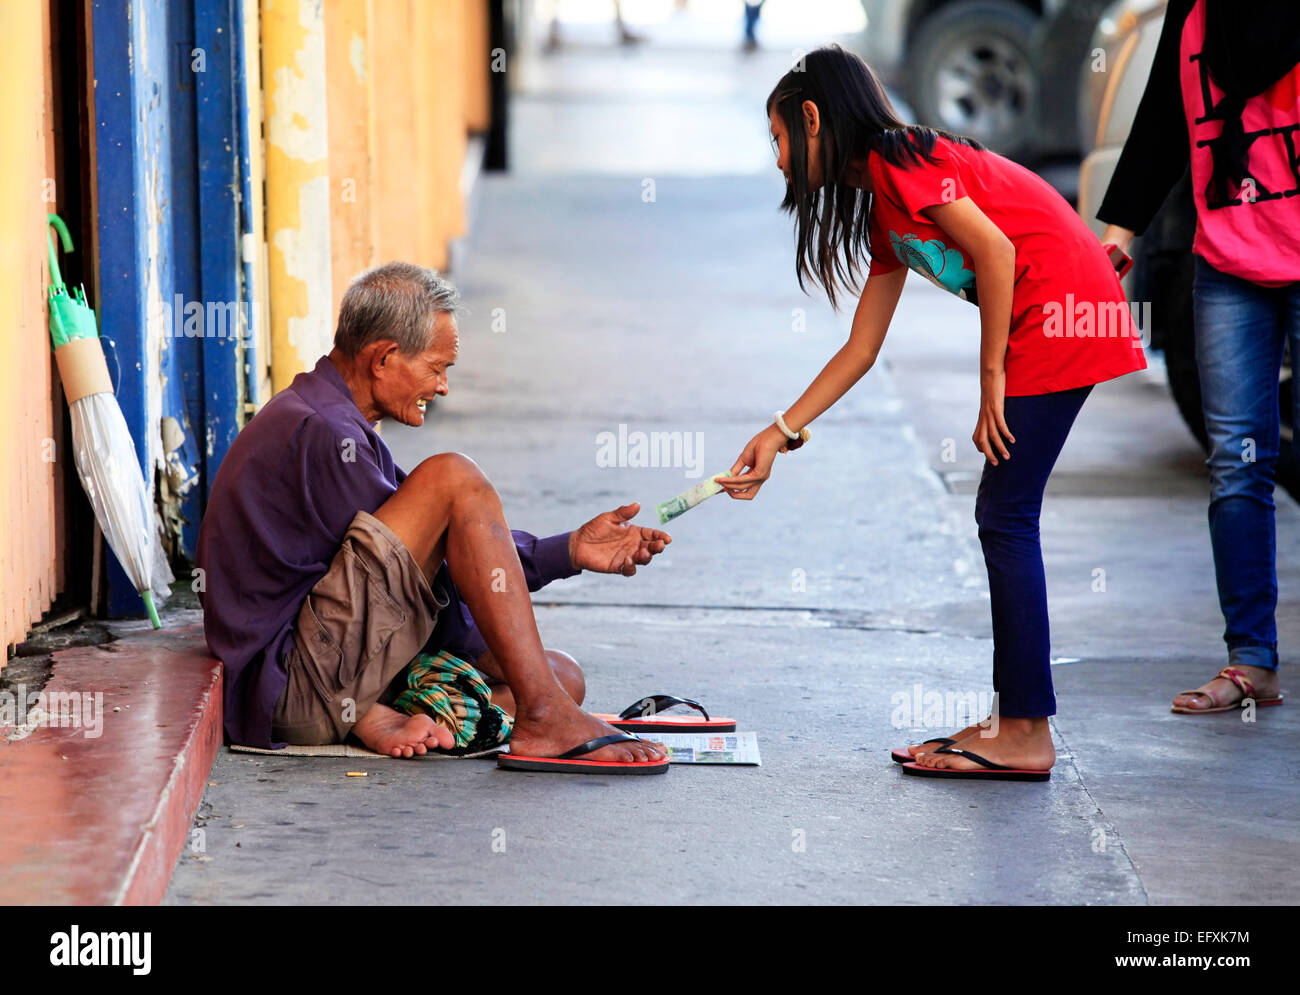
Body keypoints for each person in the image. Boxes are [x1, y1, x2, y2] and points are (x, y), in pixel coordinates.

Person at [716, 46, 1146, 780]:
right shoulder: (884, 206)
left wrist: (992, 379)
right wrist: (778, 432)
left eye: (780, 140)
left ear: (813, 117)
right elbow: (861, 346)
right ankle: (1015, 716)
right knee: (1005, 514)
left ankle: (1025, 730)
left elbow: (997, 250)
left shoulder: (902, 159)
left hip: (1061, 314)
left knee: (1006, 515)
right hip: (1060, 309)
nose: (781, 161)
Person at [197, 263, 670, 769]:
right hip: (294, 685)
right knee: (454, 477)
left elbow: (436, 547)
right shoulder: (324, 431)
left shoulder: (332, 417)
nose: (442, 387)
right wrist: (518, 673)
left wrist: (569, 550)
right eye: (436, 368)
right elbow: (438, 566)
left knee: (562, 674)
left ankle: (413, 716)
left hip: (326, 665)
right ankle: (538, 718)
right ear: (383, 358)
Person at [1098, 0, 1299, 715]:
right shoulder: (1194, 10)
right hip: (1230, 263)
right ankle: (1251, 662)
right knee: (1235, 462)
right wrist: (1120, 234)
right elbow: (1160, 119)